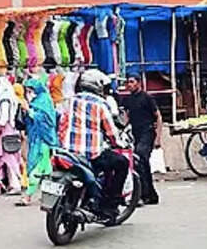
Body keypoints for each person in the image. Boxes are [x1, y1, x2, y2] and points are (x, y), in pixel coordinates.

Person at [59, 70, 129, 223]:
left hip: (68, 152)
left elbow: (62, 123)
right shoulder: (100, 105)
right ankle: (109, 206)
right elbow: (111, 132)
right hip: (91, 154)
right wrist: (119, 143)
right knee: (122, 162)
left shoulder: (69, 101)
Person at [121, 75, 161, 205]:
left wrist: (158, 138)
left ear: (138, 83)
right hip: (136, 134)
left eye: (132, 82)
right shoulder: (127, 99)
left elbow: (158, 117)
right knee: (141, 163)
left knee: (141, 157)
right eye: (128, 82)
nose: (129, 85)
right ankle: (149, 194)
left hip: (148, 133)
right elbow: (127, 118)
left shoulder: (147, 98)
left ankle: (146, 194)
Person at [18, 77, 58, 207]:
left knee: (37, 167)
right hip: (35, 138)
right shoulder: (36, 101)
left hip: (44, 139)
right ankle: (47, 196)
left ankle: (28, 195)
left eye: (31, 90)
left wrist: (29, 111)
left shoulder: (45, 101)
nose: (29, 93)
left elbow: (47, 120)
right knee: (45, 169)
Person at [0, 76, 23, 194]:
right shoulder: (12, 98)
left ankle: (15, 184)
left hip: (5, 133)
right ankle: (11, 184)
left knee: (8, 159)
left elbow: (3, 119)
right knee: (10, 158)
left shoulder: (4, 100)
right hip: (12, 131)